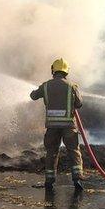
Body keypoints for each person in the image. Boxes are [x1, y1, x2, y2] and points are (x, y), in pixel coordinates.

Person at [30, 58, 85, 190]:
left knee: (51, 152)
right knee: (74, 151)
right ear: (66, 72)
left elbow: (33, 96)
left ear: (53, 70)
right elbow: (79, 104)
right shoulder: (72, 86)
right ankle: (77, 179)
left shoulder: (46, 85)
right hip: (69, 127)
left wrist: (34, 92)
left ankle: (49, 181)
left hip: (52, 127)